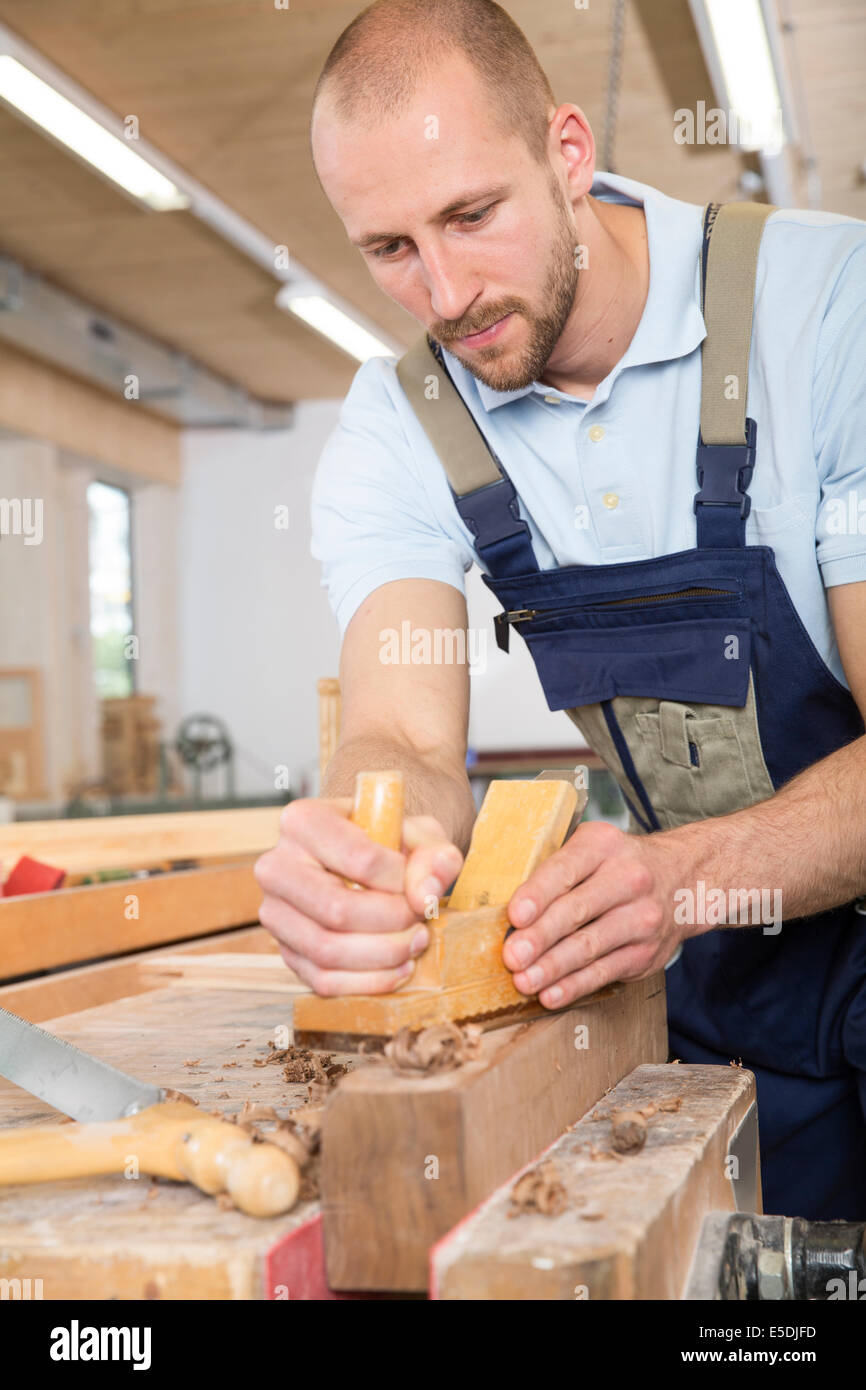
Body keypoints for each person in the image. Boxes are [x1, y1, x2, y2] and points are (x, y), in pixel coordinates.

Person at [255, 0, 866, 1220]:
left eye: (471, 216)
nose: (446, 291)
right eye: (387, 250)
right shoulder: (400, 424)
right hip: (714, 993)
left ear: (568, 153)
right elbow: (405, 744)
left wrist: (678, 880)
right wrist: (367, 853)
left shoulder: (825, 309)